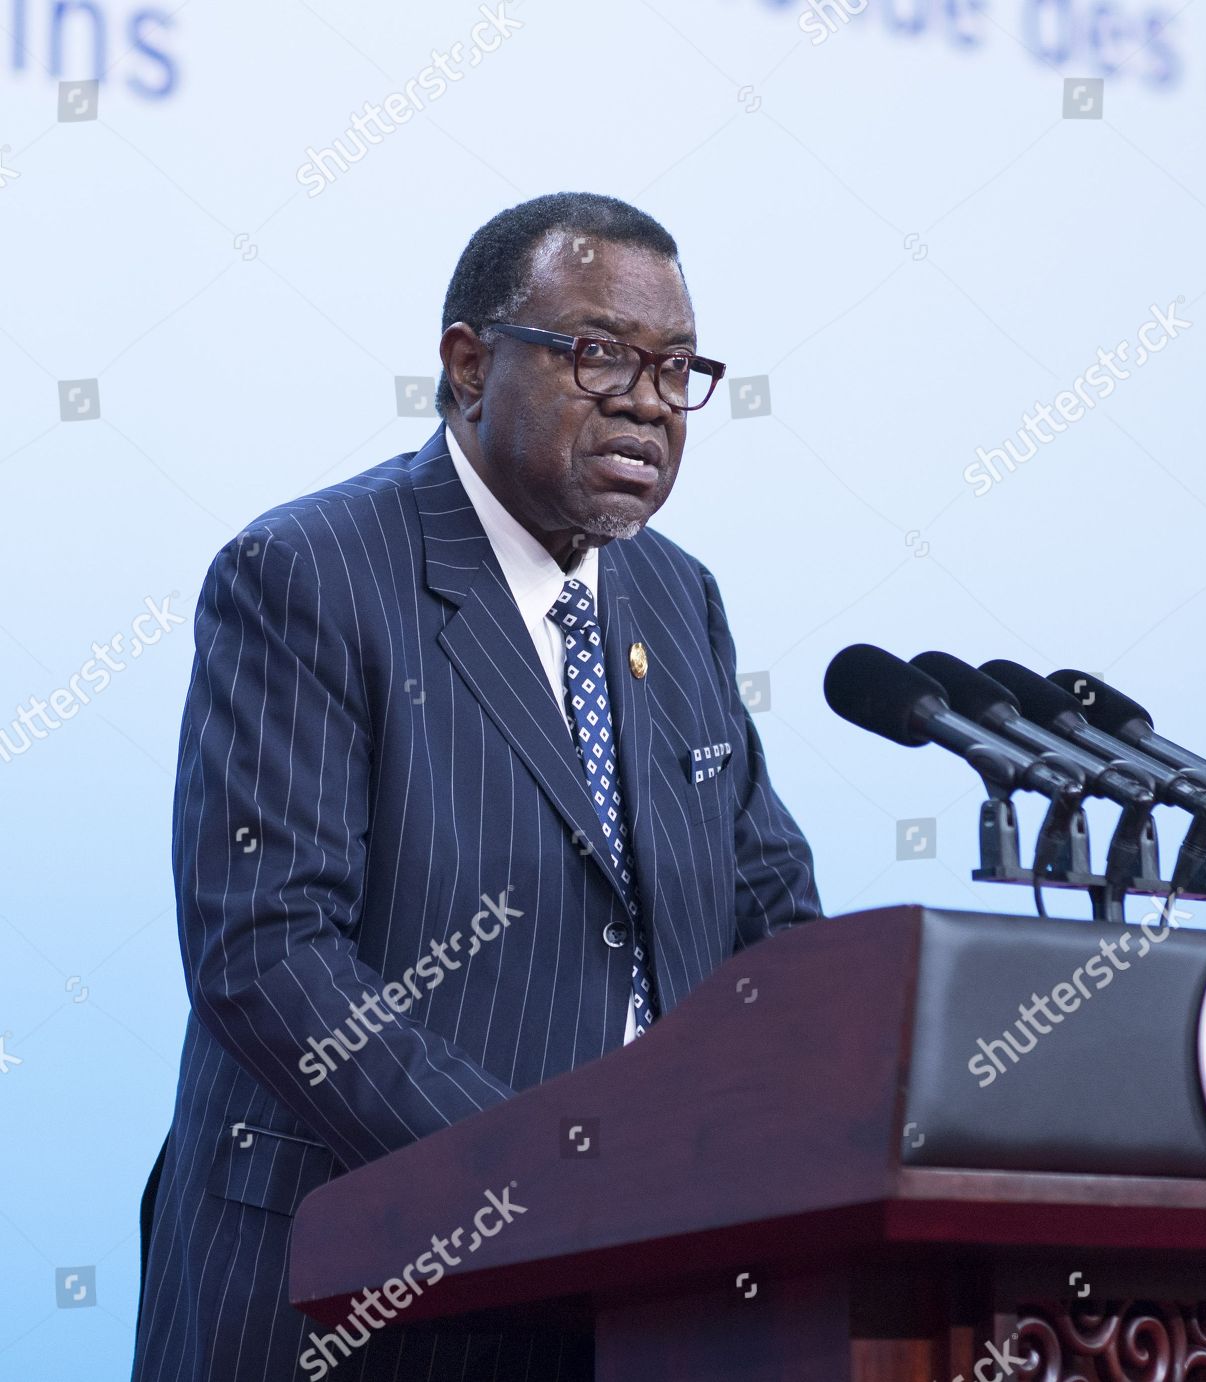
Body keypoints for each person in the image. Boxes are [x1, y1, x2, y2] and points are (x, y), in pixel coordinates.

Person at [132, 191, 821, 1382]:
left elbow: (768, 913)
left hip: (640, 1295)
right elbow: (268, 948)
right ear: (468, 364)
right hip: (350, 1283)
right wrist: (536, 1172)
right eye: (600, 353)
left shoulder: (676, 596)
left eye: (676, 369)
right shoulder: (308, 573)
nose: (649, 401)